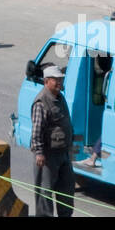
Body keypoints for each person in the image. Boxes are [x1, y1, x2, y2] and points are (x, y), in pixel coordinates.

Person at [30, 64, 75, 217]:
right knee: (45, 193)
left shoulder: (60, 97)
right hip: (48, 157)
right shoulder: (41, 102)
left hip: (63, 153)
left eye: (60, 79)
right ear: (46, 81)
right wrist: (39, 153)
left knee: (67, 192)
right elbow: (37, 130)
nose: (59, 82)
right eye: (55, 79)